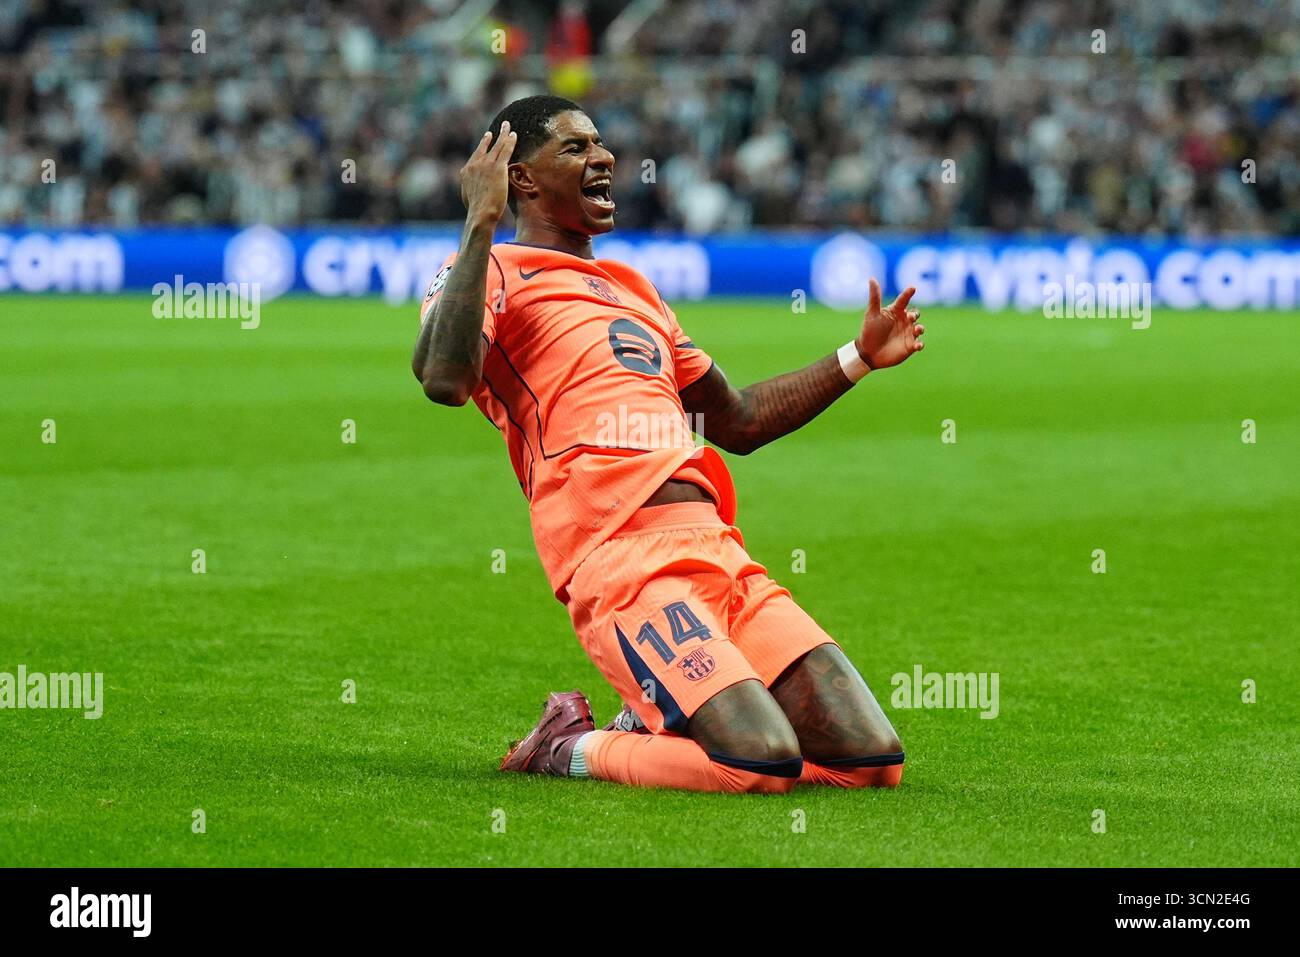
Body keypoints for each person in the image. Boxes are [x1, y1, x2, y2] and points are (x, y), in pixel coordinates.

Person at [412, 96, 925, 793]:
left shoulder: (636, 289)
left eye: (600, 141)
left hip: (716, 549)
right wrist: (480, 224)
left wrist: (855, 359)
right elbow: (445, 377)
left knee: (872, 760)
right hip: (621, 560)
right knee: (757, 765)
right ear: (522, 180)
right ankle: (569, 745)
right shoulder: (488, 272)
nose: (603, 157)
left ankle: (673, 714)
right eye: (574, 148)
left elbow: (736, 419)